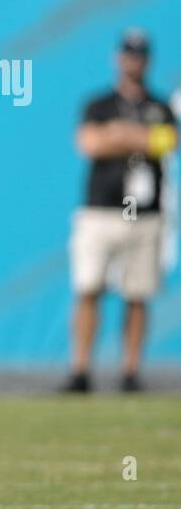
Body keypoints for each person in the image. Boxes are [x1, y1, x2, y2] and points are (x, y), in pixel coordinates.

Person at [65, 30, 177, 393]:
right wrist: (138, 137)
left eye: (141, 54)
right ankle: (81, 370)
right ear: (118, 58)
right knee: (88, 287)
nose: (134, 61)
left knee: (138, 293)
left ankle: (130, 372)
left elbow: (167, 142)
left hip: (143, 213)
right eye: (129, 54)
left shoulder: (160, 107)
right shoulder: (99, 104)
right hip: (102, 209)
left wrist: (120, 134)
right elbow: (90, 143)